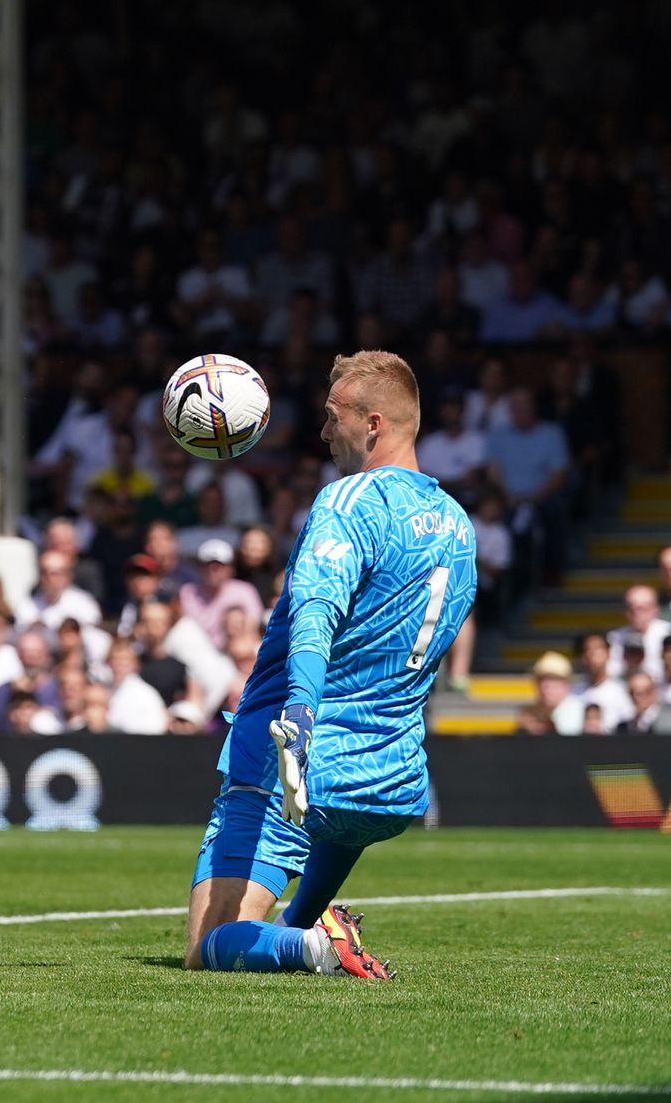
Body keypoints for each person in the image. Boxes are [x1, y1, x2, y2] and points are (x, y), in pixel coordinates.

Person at [185, 351, 477, 979]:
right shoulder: (457, 523)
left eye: (331, 417)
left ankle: (318, 947)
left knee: (210, 944)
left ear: (373, 424)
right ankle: (312, 930)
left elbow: (316, 611)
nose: (322, 432)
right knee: (282, 924)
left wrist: (300, 712)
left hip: (302, 762)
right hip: (393, 782)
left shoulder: (347, 501)